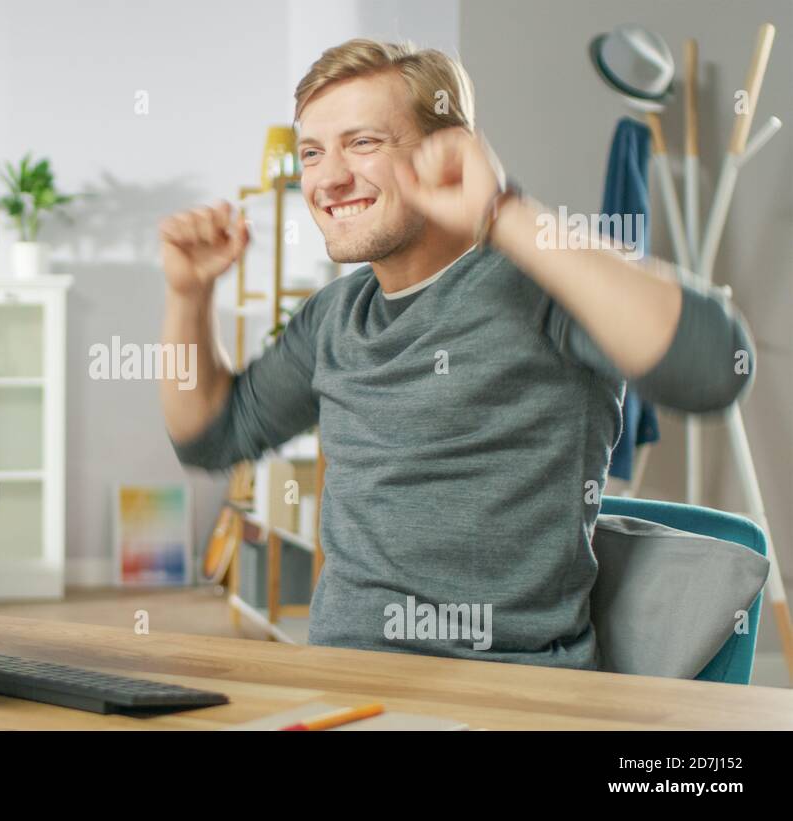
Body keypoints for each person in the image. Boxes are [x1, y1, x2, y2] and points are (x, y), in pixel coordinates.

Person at [157, 39, 753, 669]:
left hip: (507, 692)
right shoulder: (334, 318)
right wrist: (188, 295)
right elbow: (209, 437)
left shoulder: (540, 282)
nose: (327, 178)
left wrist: (500, 211)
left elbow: (716, 366)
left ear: (450, 152)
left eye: (363, 143)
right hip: (346, 682)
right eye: (312, 152)